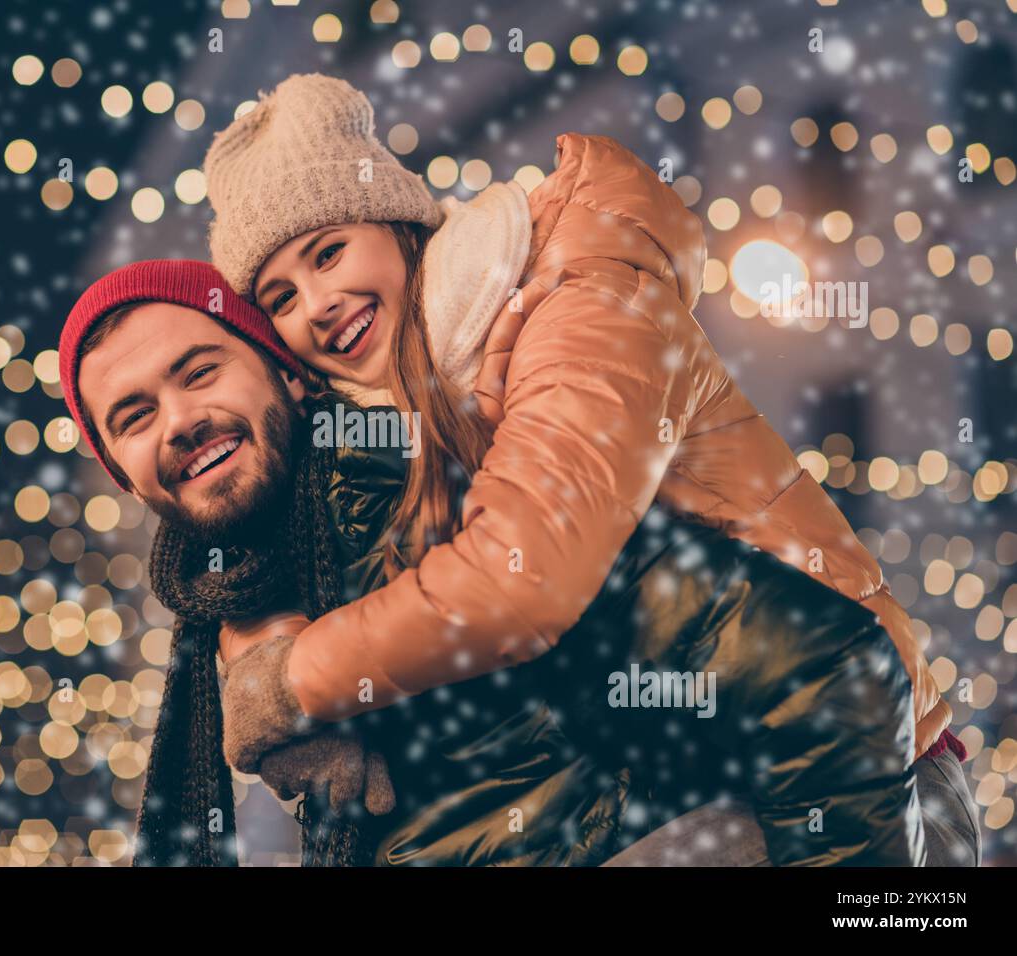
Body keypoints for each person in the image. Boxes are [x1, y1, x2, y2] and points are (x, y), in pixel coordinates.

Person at [58, 261, 981, 867]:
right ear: (123, 473)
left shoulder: (455, 493)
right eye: (132, 417)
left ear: (288, 375)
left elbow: (828, 664)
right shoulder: (246, 614)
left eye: (201, 371)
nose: (177, 421)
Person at [198, 73, 965, 796]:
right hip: (707, 771)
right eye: (283, 297)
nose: (319, 303)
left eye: (328, 253)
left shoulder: (574, 297)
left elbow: (518, 580)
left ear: (399, 224)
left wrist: (292, 681)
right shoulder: (404, 401)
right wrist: (251, 631)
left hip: (859, 760)